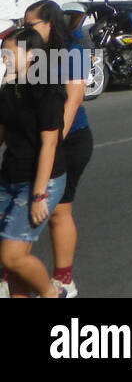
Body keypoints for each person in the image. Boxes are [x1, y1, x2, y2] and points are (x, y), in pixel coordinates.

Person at [21, 2, 90, 298]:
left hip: (68, 140)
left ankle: (63, 280)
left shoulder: (73, 52)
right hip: (41, 140)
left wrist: (51, 144)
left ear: (49, 23)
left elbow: (72, 103)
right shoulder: (32, 51)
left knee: (59, 211)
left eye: (31, 24)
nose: (26, 30)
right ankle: (15, 275)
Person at [0, 23, 68, 298]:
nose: (4, 60)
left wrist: (39, 194)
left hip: (41, 181)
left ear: (30, 56)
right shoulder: (8, 89)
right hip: (9, 177)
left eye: (9, 54)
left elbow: (50, 144)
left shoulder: (46, 92)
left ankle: (52, 294)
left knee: (12, 255)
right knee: (10, 259)